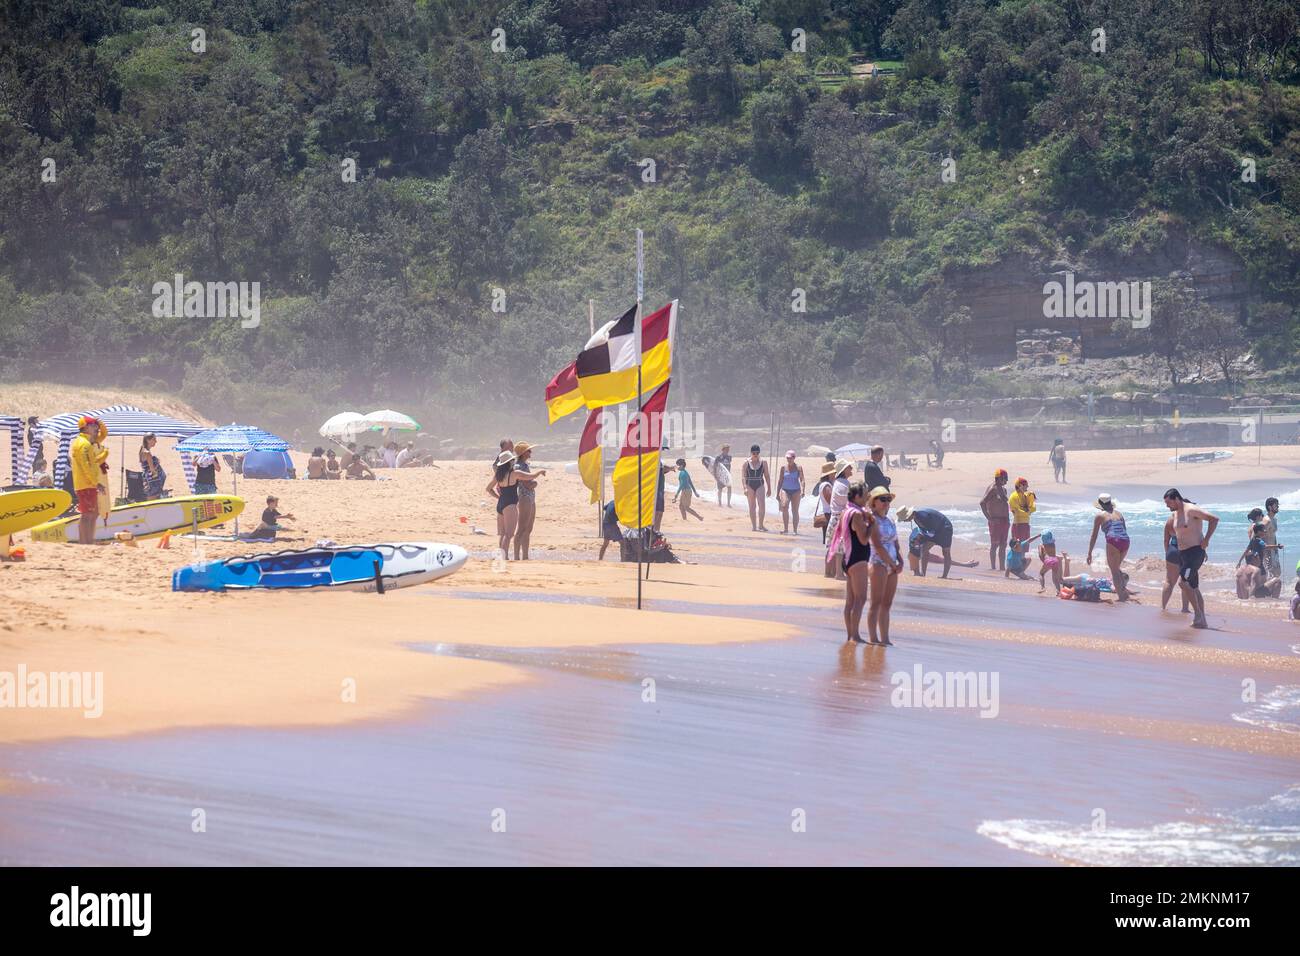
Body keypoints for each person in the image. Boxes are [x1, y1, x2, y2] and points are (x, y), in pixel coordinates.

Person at [1164, 488, 1218, 629]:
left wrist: (1206, 540)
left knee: (1183, 583)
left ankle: (1198, 614)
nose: (1167, 506)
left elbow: (1214, 519)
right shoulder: (1176, 514)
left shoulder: (1192, 510)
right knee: (1194, 587)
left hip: (1195, 552)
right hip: (1183, 554)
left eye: (1168, 503)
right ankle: (1202, 620)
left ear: (1176, 499)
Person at [831, 482, 873, 644]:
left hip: (848, 558)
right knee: (860, 599)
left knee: (850, 601)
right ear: (857, 497)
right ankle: (855, 635)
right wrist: (871, 524)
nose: (868, 497)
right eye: (865, 494)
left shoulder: (846, 511)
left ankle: (850, 635)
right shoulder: (856, 514)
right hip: (858, 559)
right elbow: (863, 539)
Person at [866, 486, 903, 645]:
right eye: (883, 499)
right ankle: (873, 637)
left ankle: (885, 638)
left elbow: (896, 543)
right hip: (878, 563)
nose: (886, 503)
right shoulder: (872, 521)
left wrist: (900, 561)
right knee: (876, 602)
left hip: (892, 564)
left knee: (887, 604)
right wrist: (891, 563)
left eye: (888, 500)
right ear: (874, 503)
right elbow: (878, 546)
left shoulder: (890, 520)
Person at [896, 506, 978, 579]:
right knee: (924, 549)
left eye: (904, 519)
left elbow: (931, 532)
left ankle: (944, 576)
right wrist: (919, 537)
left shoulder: (922, 516)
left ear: (909, 515)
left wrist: (920, 537)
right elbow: (925, 529)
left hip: (945, 528)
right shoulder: (916, 517)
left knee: (946, 552)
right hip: (934, 530)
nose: (904, 521)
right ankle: (923, 574)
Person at [70, 416, 108, 545]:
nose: (96, 428)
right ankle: (84, 542)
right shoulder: (83, 444)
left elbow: (104, 434)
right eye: (93, 425)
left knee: (94, 513)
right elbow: (86, 467)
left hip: (88, 483)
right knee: (87, 515)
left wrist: (99, 423)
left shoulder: (87, 442)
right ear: (85, 427)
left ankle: (88, 541)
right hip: (86, 484)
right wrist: (96, 483)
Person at [1087, 494, 1132, 602]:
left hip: (1113, 540)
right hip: (1125, 541)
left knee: (1114, 571)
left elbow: (1094, 535)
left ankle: (1121, 598)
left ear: (1100, 504)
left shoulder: (1100, 516)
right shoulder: (1119, 514)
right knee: (1116, 568)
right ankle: (1124, 592)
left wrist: (1089, 553)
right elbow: (1124, 530)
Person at [513, 442, 547, 559]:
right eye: (528, 451)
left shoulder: (524, 465)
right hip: (524, 497)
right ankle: (517, 556)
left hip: (530, 497)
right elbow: (527, 484)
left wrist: (533, 483)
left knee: (528, 529)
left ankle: (525, 556)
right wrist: (535, 483)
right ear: (523, 453)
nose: (530, 452)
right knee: (521, 528)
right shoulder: (519, 466)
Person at [1236, 523, 1282, 599]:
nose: (1265, 531)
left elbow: (1246, 551)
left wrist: (1239, 561)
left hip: (1253, 564)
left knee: (1257, 583)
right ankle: (1271, 600)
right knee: (1270, 582)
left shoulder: (1252, 540)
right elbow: (1266, 547)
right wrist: (1277, 546)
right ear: (1258, 532)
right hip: (1259, 566)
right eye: (1263, 530)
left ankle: (1259, 597)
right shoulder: (1259, 540)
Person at [824, 460, 853, 579]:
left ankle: (828, 572)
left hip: (835, 517)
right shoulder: (843, 483)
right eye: (849, 467)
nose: (851, 468)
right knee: (840, 548)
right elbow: (844, 500)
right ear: (843, 470)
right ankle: (839, 573)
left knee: (832, 546)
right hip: (840, 518)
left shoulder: (838, 482)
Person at [980, 468, 1011, 571]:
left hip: (1004, 521)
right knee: (995, 544)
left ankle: (1002, 568)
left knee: (1003, 545)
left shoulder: (1003, 489)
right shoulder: (992, 489)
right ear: (999, 478)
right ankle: (993, 567)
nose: (1006, 481)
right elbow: (982, 502)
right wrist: (989, 518)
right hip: (995, 521)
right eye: (1005, 479)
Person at [1161, 515, 1191, 613]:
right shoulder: (1190, 519)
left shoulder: (1170, 520)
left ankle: (1163, 607)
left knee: (1169, 581)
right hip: (1187, 551)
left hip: (1172, 550)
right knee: (1185, 581)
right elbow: (1197, 538)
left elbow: (1166, 540)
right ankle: (1185, 608)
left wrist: (1168, 552)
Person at [741, 444, 771, 532]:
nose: (755, 454)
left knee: (762, 505)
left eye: (757, 453)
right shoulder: (746, 463)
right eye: (754, 453)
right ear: (751, 453)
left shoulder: (763, 462)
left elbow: (767, 476)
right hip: (749, 484)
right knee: (752, 506)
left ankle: (761, 525)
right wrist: (744, 488)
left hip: (760, 484)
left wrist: (769, 488)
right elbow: (743, 476)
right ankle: (754, 526)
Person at [776, 451, 804, 534]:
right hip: (785, 490)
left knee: (794, 510)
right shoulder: (783, 468)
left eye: (790, 458)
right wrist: (777, 493)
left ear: (794, 458)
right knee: (784, 506)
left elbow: (802, 480)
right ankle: (786, 529)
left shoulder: (799, 467)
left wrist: (803, 490)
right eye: (787, 458)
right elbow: (780, 481)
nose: (788, 459)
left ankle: (795, 530)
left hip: (796, 490)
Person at [1261, 497, 1283, 583]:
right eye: (1276, 505)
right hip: (1267, 552)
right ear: (1270, 507)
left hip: (1274, 550)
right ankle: (1265, 594)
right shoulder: (1266, 521)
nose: (1278, 506)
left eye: (1278, 504)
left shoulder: (1274, 519)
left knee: (1277, 573)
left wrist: (1276, 547)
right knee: (1270, 575)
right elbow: (1259, 537)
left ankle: (1270, 595)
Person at [138, 433, 166, 498]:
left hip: (147, 478)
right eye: (154, 439)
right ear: (148, 440)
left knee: (150, 497)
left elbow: (145, 465)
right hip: (152, 480)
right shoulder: (147, 453)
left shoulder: (142, 450)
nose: (156, 441)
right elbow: (152, 470)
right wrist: (157, 463)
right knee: (153, 497)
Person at [1009, 477, 1036, 544]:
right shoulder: (1013, 496)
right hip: (1018, 525)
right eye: (1026, 485)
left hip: (1026, 524)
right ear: (1020, 486)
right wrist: (1028, 512)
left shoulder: (1024, 495)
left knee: (1024, 547)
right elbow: (1017, 512)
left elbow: (1034, 508)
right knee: (1017, 548)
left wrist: (1032, 498)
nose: (1027, 486)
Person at [813, 463, 835, 543]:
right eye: (834, 473)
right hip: (828, 515)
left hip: (827, 514)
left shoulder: (825, 484)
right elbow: (831, 501)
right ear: (829, 474)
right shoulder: (826, 485)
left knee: (827, 541)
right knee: (828, 542)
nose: (835, 474)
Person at [714, 444, 733, 508]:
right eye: (726, 449)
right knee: (720, 489)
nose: (728, 450)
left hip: (727, 476)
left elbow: (729, 466)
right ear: (723, 449)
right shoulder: (718, 457)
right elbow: (715, 467)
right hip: (720, 475)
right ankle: (720, 503)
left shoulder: (729, 457)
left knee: (729, 488)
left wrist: (729, 475)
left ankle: (728, 503)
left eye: (728, 449)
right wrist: (715, 475)